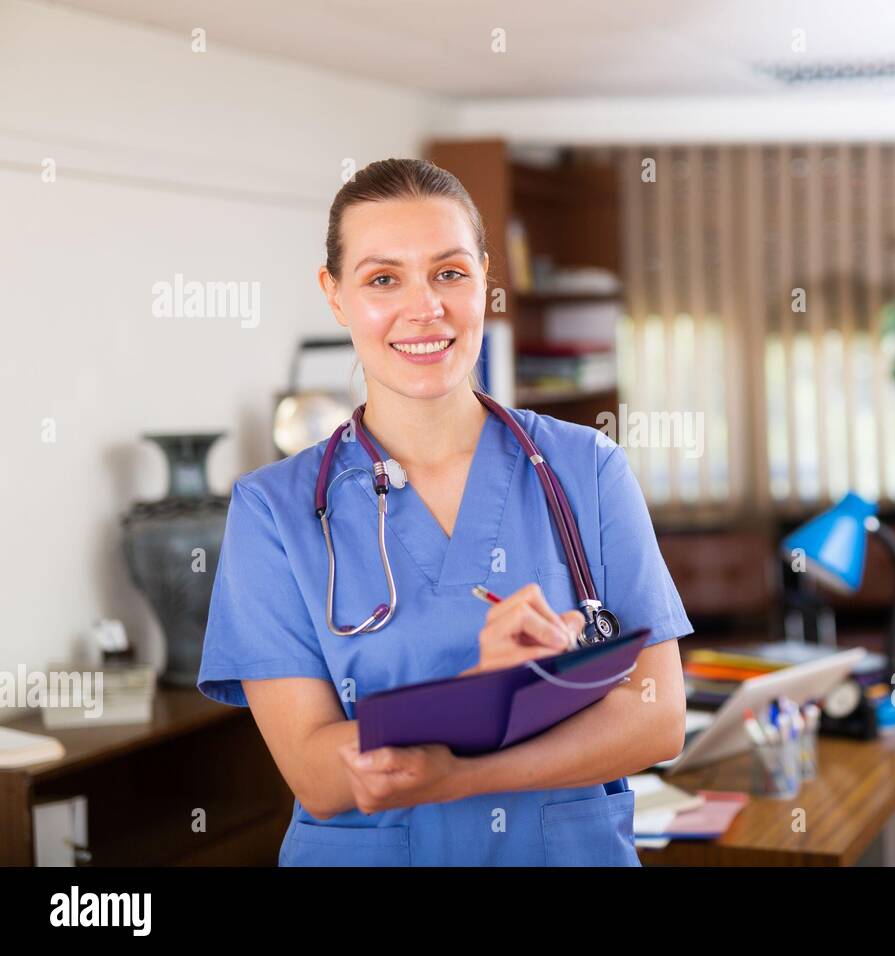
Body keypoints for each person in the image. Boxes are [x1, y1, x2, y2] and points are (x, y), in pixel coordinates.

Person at [196, 158, 693, 866]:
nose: (424, 306)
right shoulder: (273, 510)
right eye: (382, 279)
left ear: (485, 278)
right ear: (334, 295)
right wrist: (478, 694)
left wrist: (460, 773)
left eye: (450, 272)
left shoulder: (587, 468)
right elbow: (318, 774)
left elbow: (657, 718)